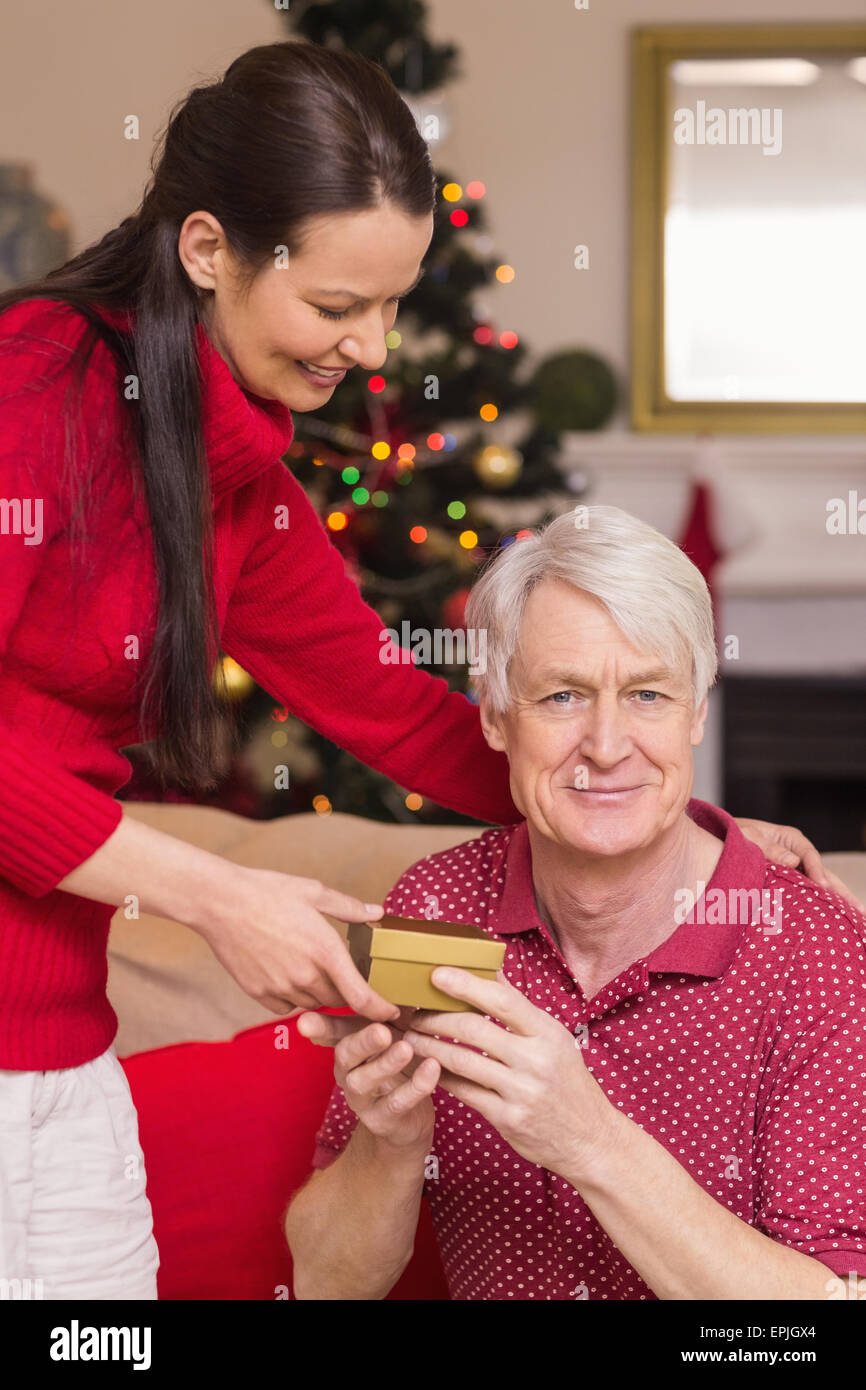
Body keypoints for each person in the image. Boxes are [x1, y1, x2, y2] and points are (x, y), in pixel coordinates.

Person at [0, 40, 842, 1302]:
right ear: (209, 249)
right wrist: (216, 896)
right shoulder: (32, 388)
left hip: (52, 1052)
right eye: (338, 308)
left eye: (392, 305)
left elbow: (411, 712)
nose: (378, 351)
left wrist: (676, 824)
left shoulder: (242, 491)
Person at [287, 505, 866, 1301]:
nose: (605, 743)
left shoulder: (814, 948)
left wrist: (590, 1141)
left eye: (648, 695)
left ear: (697, 710)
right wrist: (388, 1145)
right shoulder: (437, 905)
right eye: (561, 696)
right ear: (495, 717)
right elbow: (326, 1287)